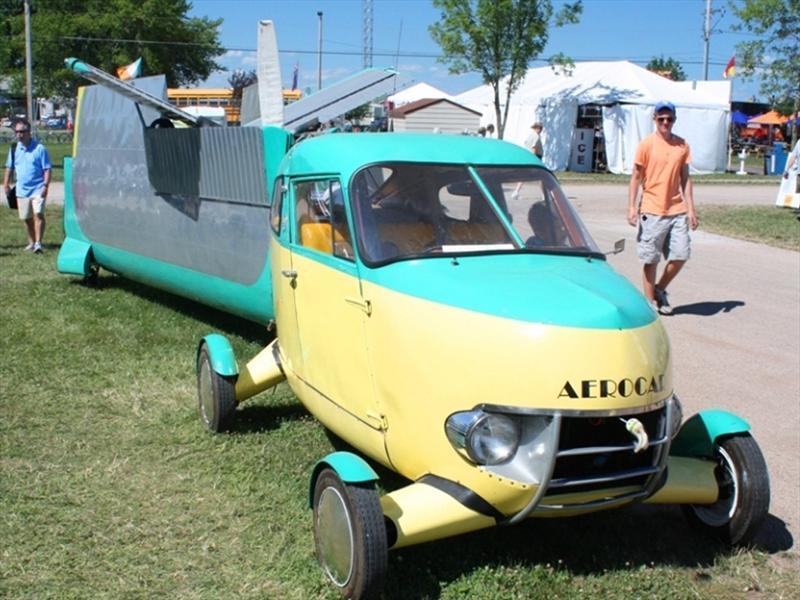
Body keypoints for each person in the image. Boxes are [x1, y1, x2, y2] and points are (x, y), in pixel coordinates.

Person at [627, 101, 697, 315]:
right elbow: (636, 177)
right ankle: (650, 301)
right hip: (652, 208)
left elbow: (685, 178)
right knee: (651, 258)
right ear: (655, 119)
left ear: (674, 120)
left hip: (676, 208)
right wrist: (631, 207)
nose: (665, 122)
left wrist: (691, 209)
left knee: (681, 254)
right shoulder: (646, 145)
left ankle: (660, 289)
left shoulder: (682, 145)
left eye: (669, 119)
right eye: (661, 119)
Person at [4, 118, 52, 253]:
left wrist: (45, 186)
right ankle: (31, 242)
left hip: (38, 187)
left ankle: (38, 243)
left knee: (39, 214)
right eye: (17, 131)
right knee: (26, 217)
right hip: (21, 190)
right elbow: (9, 167)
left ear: (29, 132)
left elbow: (47, 169)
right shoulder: (14, 149)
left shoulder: (40, 148)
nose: (19, 134)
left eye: (22, 131)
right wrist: (6, 183)